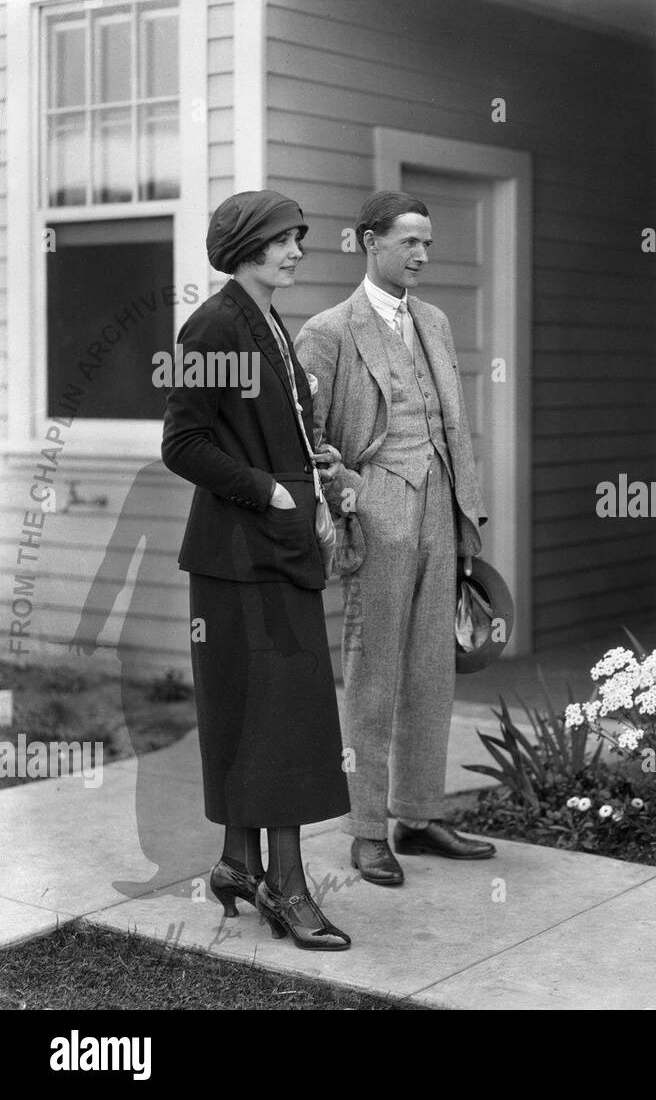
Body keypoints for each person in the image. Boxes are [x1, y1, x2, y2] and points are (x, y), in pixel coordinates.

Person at [161, 190, 351, 949]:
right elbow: (183, 443)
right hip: (239, 559)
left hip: (278, 550)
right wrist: (270, 489)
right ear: (246, 247)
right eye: (282, 241)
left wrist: (316, 467)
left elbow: (275, 428)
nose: (297, 250)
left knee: (268, 713)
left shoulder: (271, 322)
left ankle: (240, 863)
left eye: (298, 238)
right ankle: (288, 888)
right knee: (280, 720)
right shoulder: (214, 324)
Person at [296, 190, 495, 887]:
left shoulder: (433, 322)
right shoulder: (329, 330)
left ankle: (418, 814)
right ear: (366, 242)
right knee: (374, 672)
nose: (421, 255)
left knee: (431, 671)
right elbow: (307, 439)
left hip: (439, 502)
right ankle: (367, 829)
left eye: (428, 244)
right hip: (378, 505)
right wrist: (348, 491)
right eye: (408, 241)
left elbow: (453, 426)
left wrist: (466, 519)